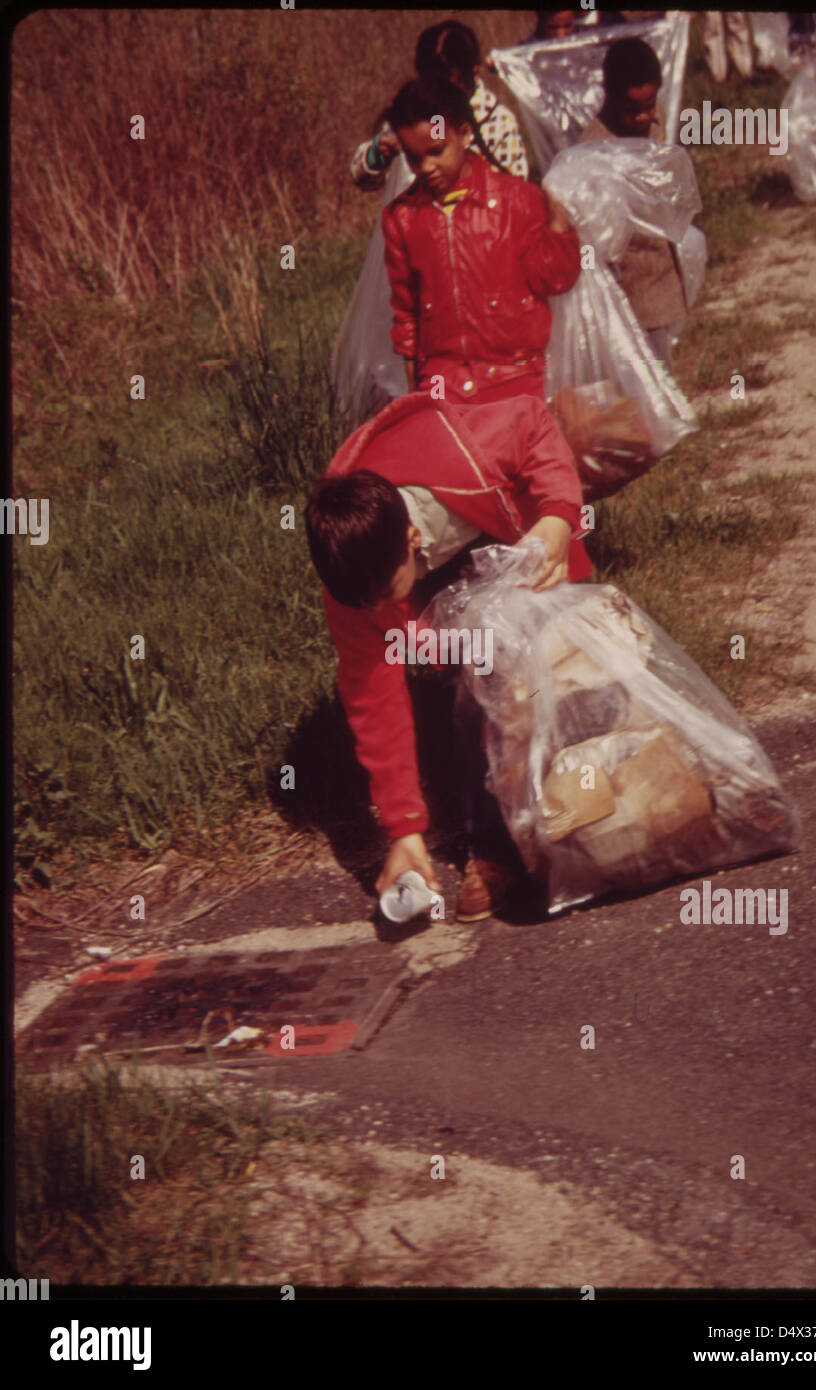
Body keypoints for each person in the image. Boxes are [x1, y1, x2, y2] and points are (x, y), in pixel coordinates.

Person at [305, 391, 591, 921]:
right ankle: (497, 849)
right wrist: (405, 830)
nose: (374, 610)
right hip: (448, 594)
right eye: (362, 603)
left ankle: (596, 793)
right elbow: (375, 702)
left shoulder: (465, 452)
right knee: (479, 693)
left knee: (577, 676)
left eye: (385, 594)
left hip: (523, 548)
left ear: (413, 537)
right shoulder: (355, 580)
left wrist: (557, 514)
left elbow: (530, 420)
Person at [382, 76, 581, 405]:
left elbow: (554, 278)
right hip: (441, 382)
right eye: (414, 159)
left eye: (436, 151)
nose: (426, 167)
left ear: (464, 133)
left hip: (517, 374)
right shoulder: (402, 218)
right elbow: (406, 314)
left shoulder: (516, 199)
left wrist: (559, 229)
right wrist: (417, 395)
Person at [580, 36, 688, 370]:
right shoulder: (595, 147)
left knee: (659, 357)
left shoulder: (656, 118)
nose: (643, 116)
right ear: (610, 97)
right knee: (648, 368)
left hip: (660, 261)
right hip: (628, 277)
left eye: (649, 105)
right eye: (632, 110)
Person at [350, 20, 528, 192]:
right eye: (432, 85)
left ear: (474, 73)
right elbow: (363, 180)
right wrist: (379, 154)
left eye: (450, 87)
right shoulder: (412, 113)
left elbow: (517, 192)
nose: (441, 96)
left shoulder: (498, 123)